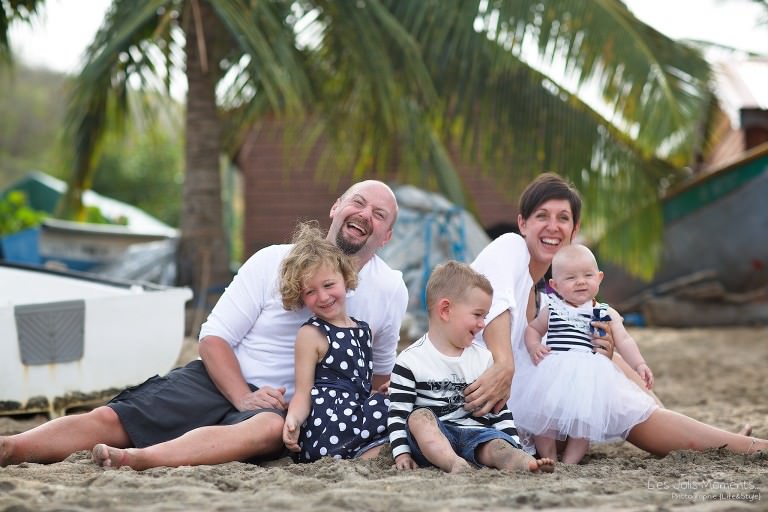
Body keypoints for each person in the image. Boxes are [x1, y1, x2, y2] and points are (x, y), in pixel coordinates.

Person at [0, 180, 408, 470]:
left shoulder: (389, 290)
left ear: (387, 235)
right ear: (336, 207)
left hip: (282, 410)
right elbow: (213, 338)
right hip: (218, 378)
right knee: (116, 419)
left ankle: (142, 459)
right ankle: (11, 446)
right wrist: (242, 395)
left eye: (379, 215)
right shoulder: (272, 260)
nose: (364, 215)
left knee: (267, 429)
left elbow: (376, 374)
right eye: (358, 203)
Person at [467, 172, 766, 457]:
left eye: (563, 218)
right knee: (615, 389)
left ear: (575, 230)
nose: (553, 226)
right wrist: (504, 363)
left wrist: (602, 352)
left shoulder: (546, 296)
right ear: (522, 223)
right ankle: (735, 443)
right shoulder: (510, 247)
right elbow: (495, 304)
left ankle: (699, 432)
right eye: (542, 216)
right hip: (482, 396)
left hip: (518, 406)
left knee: (609, 360)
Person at [388, 261, 555, 473]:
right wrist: (402, 453)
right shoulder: (410, 361)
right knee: (419, 418)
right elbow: (398, 414)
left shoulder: (484, 359)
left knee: (497, 445)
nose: (483, 323)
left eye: (485, 316)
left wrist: (513, 445)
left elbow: (500, 412)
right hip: (433, 441)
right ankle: (453, 463)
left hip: (477, 436)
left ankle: (523, 463)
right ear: (445, 310)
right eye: (477, 315)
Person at [516, 244, 656, 464]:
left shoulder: (605, 312)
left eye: (588, 275)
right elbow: (533, 329)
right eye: (571, 278)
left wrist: (639, 364)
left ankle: (570, 463)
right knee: (544, 418)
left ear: (599, 278)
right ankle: (548, 456)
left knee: (584, 424)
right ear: (555, 285)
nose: (580, 281)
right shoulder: (552, 308)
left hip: (588, 376)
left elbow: (624, 340)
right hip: (553, 372)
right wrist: (534, 346)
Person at [280, 221, 389, 461]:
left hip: (356, 416)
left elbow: (361, 387)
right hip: (328, 427)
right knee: (401, 412)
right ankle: (364, 453)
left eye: (329, 285)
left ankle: (367, 454)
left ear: (345, 278)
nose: (323, 297)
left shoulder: (363, 330)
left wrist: (378, 393)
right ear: (301, 296)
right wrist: (293, 419)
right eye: (310, 292)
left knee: (400, 401)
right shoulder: (312, 334)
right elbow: (303, 392)